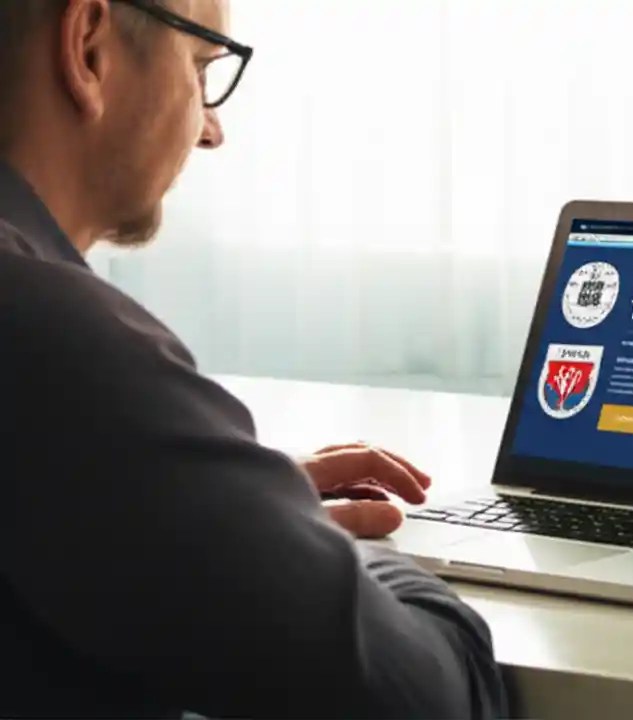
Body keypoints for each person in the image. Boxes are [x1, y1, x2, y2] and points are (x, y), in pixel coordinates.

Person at [0, 0, 507, 717]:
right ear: (89, 50)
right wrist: (279, 546)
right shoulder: (51, 335)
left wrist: (220, 505)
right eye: (202, 66)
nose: (211, 129)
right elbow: (432, 698)